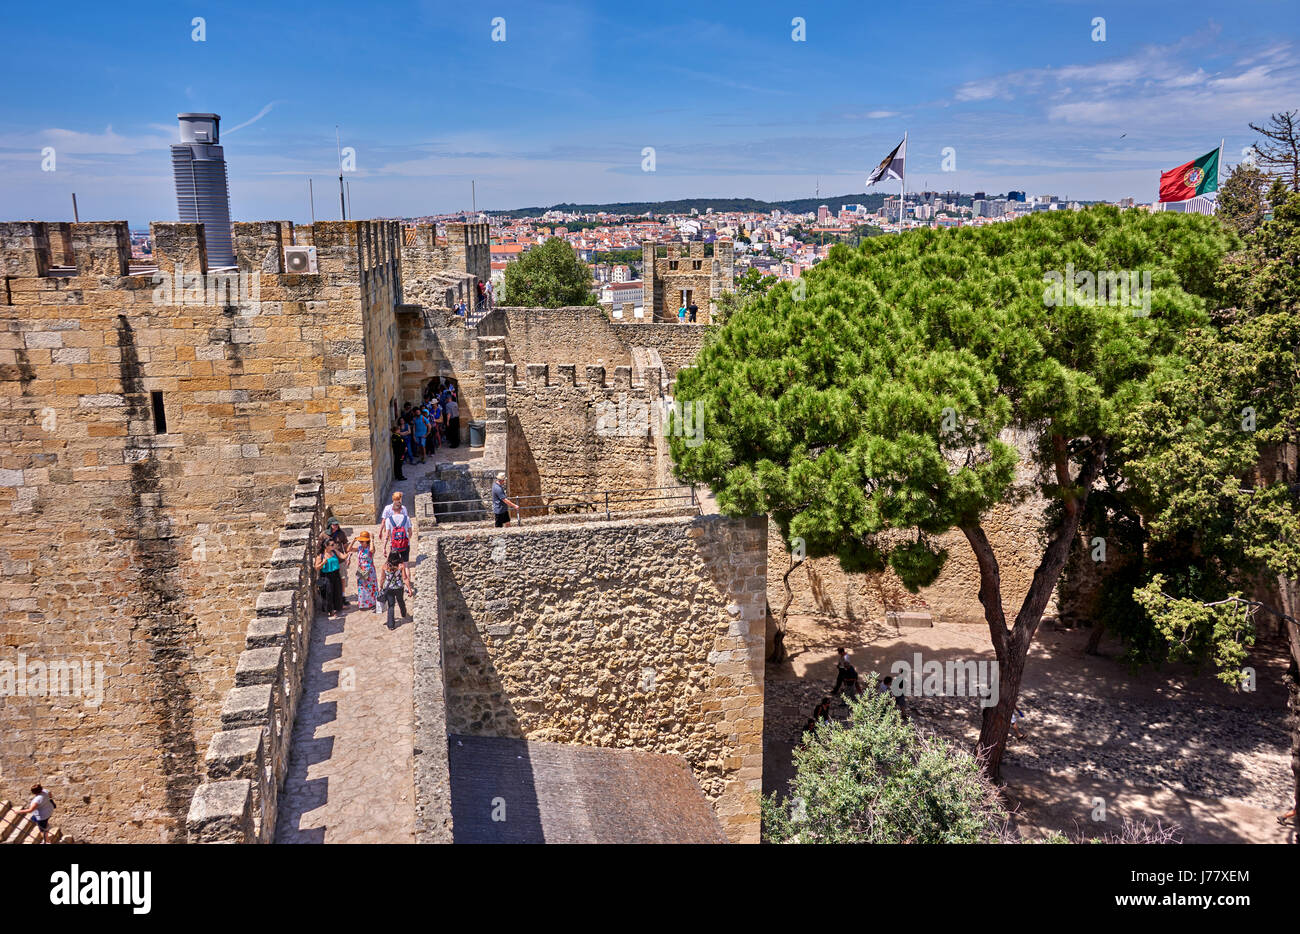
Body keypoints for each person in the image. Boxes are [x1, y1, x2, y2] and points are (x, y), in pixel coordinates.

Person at [377, 552, 409, 630]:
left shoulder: (385, 566)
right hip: (399, 587)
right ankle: (403, 613)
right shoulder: (401, 566)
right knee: (400, 601)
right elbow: (404, 578)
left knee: (391, 606)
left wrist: (380, 587)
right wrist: (409, 589)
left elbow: (382, 578)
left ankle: (391, 625)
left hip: (389, 589)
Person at [381, 491, 413, 563]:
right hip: (404, 542)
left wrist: (384, 547)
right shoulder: (404, 511)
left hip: (394, 542)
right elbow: (410, 531)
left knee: (394, 563)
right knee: (406, 566)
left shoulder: (387, 511)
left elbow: (383, 521)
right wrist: (407, 539)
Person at [349, 530, 377, 611]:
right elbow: (349, 549)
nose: (360, 542)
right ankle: (364, 603)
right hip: (361, 569)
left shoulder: (370, 547)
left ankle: (372, 603)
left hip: (369, 570)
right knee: (362, 587)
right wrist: (353, 541)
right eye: (360, 541)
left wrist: (372, 539)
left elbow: (372, 550)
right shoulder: (359, 548)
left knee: (370, 587)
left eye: (362, 541)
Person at [316, 538, 344, 616]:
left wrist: (348, 555)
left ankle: (337, 607)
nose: (334, 546)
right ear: (326, 546)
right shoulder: (321, 555)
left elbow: (343, 556)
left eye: (333, 544)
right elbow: (317, 567)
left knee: (337, 590)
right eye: (332, 545)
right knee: (329, 593)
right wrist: (323, 562)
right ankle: (330, 611)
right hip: (327, 576)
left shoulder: (334, 551)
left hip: (336, 574)